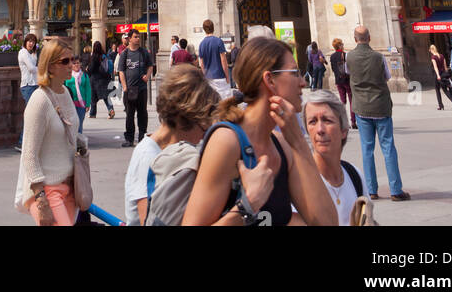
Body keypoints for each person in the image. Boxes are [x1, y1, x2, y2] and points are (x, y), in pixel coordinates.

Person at [182, 35, 337, 227]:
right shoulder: (226, 142)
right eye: (295, 73)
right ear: (270, 80)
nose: (303, 82)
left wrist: (299, 143)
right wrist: (248, 204)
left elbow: (327, 222)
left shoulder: (282, 146)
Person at [125, 65, 217, 224]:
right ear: (185, 118)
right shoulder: (148, 156)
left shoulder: (174, 151)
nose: (204, 135)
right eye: (204, 127)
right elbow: (147, 219)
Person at [15, 36, 88, 226]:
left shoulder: (65, 93)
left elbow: (70, 135)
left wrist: (81, 145)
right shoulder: (39, 100)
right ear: (50, 66)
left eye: (72, 60)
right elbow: (29, 155)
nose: (71, 65)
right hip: (47, 190)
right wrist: (41, 200)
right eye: (65, 61)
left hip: (70, 185)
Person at [347, 25, 410, 200]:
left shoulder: (349, 57)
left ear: (354, 39)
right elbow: (388, 77)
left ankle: (371, 189)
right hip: (381, 107)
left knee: (367, 149)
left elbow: (348, 72)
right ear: (369, 38)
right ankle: (396, 190)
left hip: (361, 108)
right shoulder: (378, 57)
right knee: (388, 148)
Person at [303, 89, 366, 225]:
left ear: (343, 130)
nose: (320, 129)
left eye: (327, 120)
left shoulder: (354, 175)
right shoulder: (301, 183)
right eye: (312, 122)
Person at [119, 29, 153, 148]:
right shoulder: (125, 54)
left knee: (142, 113)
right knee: (129, 115)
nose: (138, 39)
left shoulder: (143, 52)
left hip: (142, 88)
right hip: (130, 89)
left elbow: (150, 66)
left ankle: (142, 136)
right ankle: (129, 138)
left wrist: (147, 76)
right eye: (135, 37)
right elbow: (121, 71)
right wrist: (124, 87)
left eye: (138, 37)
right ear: (129, 38)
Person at [198, 19, 230, 99]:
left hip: (209, 77)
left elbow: (201, 64)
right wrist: (227, 76)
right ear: (213, 28)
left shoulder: (201, 44)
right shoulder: (219, 41)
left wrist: (205, 76)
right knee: (223, 101)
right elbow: (223, 60)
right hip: (220, 76)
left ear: (204, 29)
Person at [17, 33, 39, 150]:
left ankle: (29, 141)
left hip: (35, 85)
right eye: (29, 41)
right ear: (25, 42)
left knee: (35, 114)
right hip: (27, 86)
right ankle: (22, 142)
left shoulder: (32, 53)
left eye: (33, 42)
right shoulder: (23, 53)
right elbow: (31, 68)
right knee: (30, 114)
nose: (31, 43)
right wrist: (43, 69)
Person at [329, 37, 355, 129]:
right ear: (340, 45)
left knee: (342, 102)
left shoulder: (332, 56)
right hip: (347, 80)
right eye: (342, 44)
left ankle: (344, 122)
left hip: (338, 81)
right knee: (352, 100)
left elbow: (333, 69)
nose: (343, 45)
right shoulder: (345, 55)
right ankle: (353, 121)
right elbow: (350, 68)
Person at [87, 41, 114, 120]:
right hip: (104, 78)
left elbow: (91, 69)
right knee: (106, 96)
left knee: (93, 97)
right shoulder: (104, 56)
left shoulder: (94, 57)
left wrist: (87, 69)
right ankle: (110, 109)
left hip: (95, 79)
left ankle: (92, 113)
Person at [66, 54, 92, 133]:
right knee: (71, 123)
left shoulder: (84, 75)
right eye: (74, 63)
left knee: (79, 123)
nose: (76, 65)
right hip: (70, 103)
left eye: (78, 63)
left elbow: (88, 89)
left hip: (81, 104)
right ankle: (72, 141)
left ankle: (79, 141)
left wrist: (88, 104)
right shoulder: (67, 75)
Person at [429, 42, 452, 111]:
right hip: (443, 74)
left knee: (437, 90)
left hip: (437, 75)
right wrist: (446, 74)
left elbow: (435, 67)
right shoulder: (442, 56)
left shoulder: (433, 57)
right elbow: (445, 67)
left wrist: (438, 75)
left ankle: (440, 105)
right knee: (445, 90)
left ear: (431, 50)